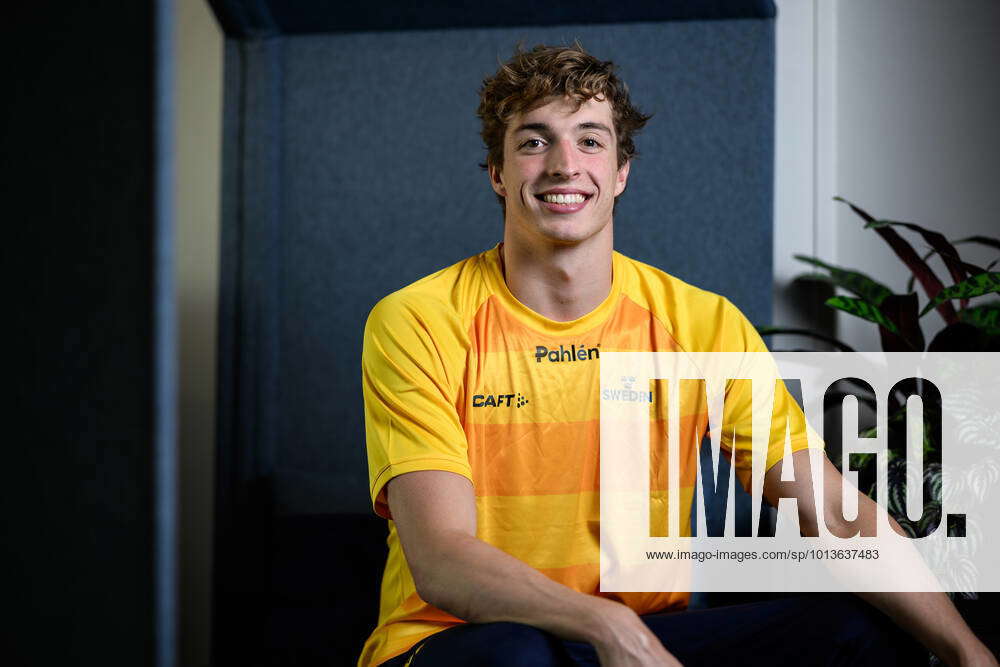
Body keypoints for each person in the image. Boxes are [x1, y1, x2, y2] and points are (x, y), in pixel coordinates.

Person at [359, 43, 996, 667]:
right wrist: (606, 623)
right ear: (499, 173)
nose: (562, 164)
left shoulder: (702, 325)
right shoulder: (419, 320)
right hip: (458, 641)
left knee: (856, 629)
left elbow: (830, 509)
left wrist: (968, 652)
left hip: (638, 641)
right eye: (533, 141)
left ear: (621, 172)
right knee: (515, 653)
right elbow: (442, 558)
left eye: (590, 140)